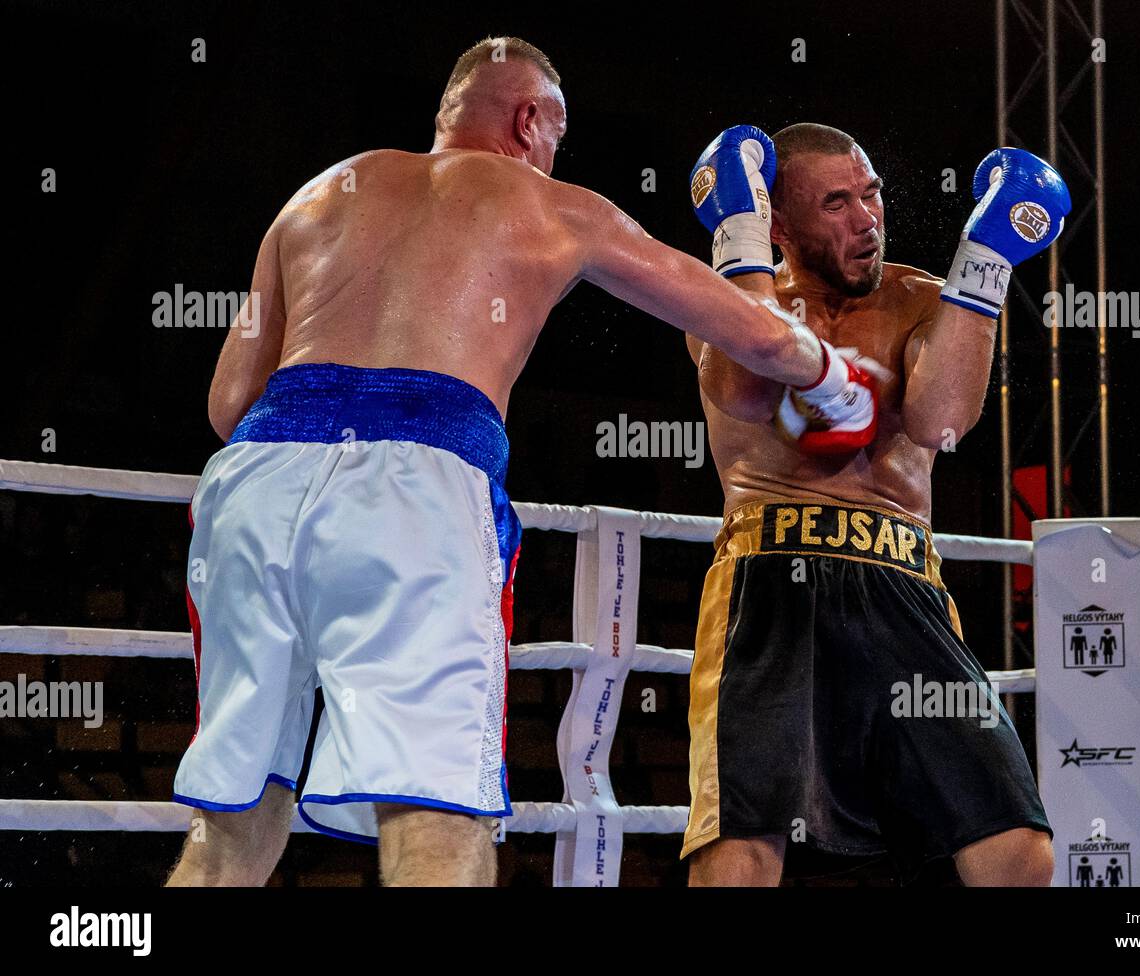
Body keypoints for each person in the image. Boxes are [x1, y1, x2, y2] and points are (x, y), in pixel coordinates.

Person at [166, 40, 876, 888]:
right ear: (529, 119)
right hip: (418, 478)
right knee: (436, 819)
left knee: (230, 825)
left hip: (257, 484)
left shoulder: (319, 195)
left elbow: (224, 405)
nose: (552, 156)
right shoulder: (553, 204)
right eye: (554, 136)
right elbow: (756, 336)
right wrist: (837, 382)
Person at [681, 122, 1070, 886]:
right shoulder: (726, 297)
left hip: (901, 584)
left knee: (1016, 852)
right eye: (836, 203)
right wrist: (738, 242)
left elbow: (941, 420)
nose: (867, 219)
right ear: (780, 227)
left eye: (872, 194)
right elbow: (746, 388)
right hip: (770, 576)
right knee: (740, 855)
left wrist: (985, 263)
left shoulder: (924, 299)